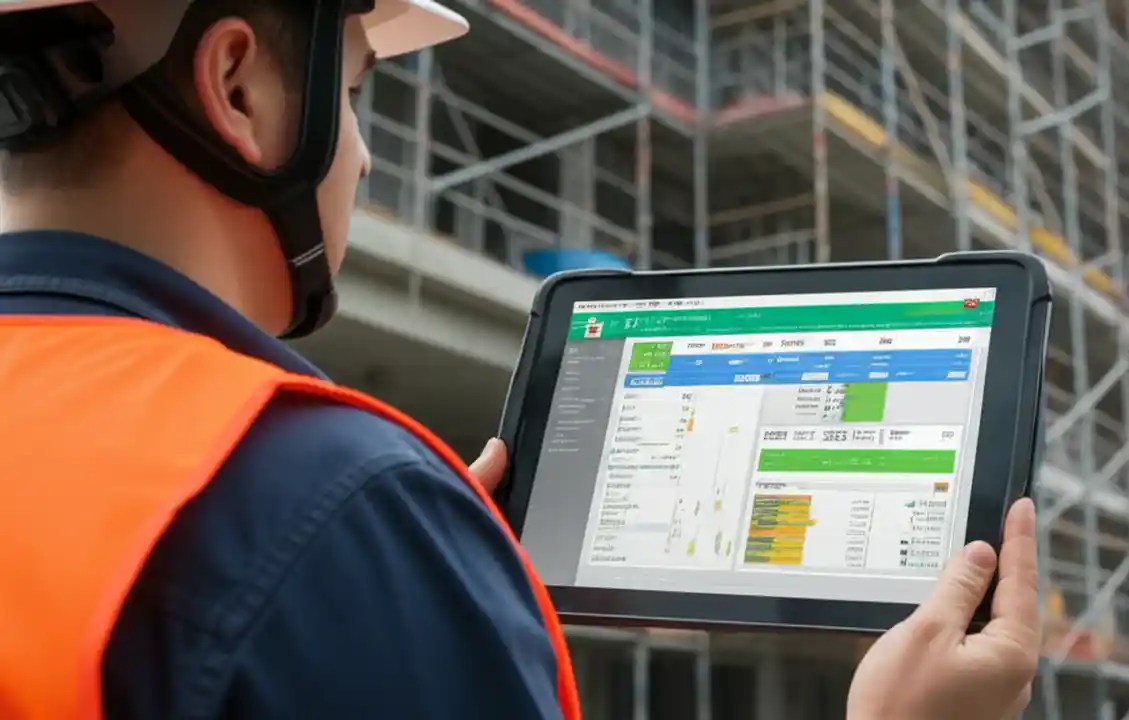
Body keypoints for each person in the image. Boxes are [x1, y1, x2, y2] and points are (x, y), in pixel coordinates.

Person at [0, 1, 1042, 718]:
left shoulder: (337, 509)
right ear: (236, 86)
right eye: (359, 90)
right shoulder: (318, 499)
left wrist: (419, 567)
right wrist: (384, 554)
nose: (361, 157)